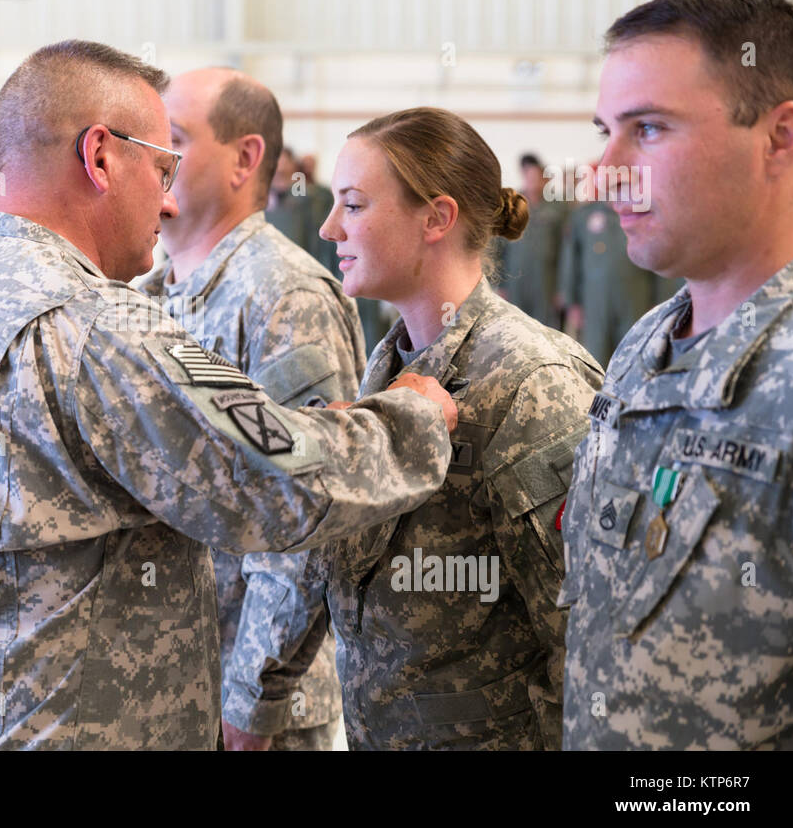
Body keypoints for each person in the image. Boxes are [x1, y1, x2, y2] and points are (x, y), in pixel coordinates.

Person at [0, 41, 457, 750]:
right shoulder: (96, 326)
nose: (167, 199)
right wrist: (413, 417)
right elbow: (276, 482)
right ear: (100, 157)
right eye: (162, 168)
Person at [241, 107, 603, 749]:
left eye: (354, 205)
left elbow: (586, 637)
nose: (328, 227)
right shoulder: (392, 367)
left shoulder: (532, 381)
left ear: (436, 218)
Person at [560, 0, 793, 749]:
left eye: (649, 129)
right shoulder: (647, 341)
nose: (604, 174)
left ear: (779, 139)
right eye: (606, 133)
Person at [140, 68, 362, 751]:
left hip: (253, 716)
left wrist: (251, 701)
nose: (154, 161)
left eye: (175, 141)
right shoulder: (149, 299)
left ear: (245, 158)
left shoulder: (284, 296)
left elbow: (309, 513)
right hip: (172, 691)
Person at [269, 146, 389, 348]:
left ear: (293, 164)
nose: (278, 165)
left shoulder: (311, 197)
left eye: (283, 159)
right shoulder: (266, 203)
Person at [557, 195, 660, 365]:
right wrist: (571, 301)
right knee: (596, 356)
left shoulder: (643, 213)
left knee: (634, 356)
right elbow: (571, 260)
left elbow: (658, 255)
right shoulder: (583, 215)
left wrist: (660, 300)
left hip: (635, 298)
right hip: (594, 301)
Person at [495, 153, 567, 328]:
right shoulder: (510, 205)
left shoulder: (558, 207)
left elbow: (566, 250)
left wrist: (563, 288)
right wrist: (500, 285)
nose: (533, 181)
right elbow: (498, 247)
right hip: (515, 281)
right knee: (516, 327)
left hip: (547, 280)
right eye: (529, 176)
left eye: (536, 176)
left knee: (546, 328)